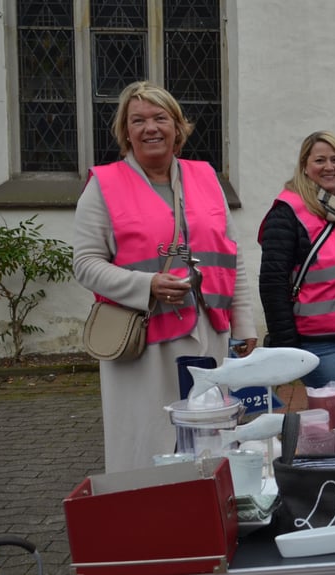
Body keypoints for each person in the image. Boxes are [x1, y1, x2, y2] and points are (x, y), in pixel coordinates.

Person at [73, 81, 258, 474]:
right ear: (126, 132)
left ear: (177, 127)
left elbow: (231, 254)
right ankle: (146, 506)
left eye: (160, 118)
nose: (150, 128)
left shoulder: (206, 176)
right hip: (144, 342)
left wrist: (243, 323)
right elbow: (85, 263)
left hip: (209, 333)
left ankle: (205, 504)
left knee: (209, 438)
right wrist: (147, 286)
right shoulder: (103, 185)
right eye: (137, 120)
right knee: (148, 442)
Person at [258, 131, 335, 416]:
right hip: (318, 340)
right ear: (305, 165)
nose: (329, 167)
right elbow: (272, 283)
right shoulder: (287, 213)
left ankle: (322, 445)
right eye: (320, 160)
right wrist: (287, 347)